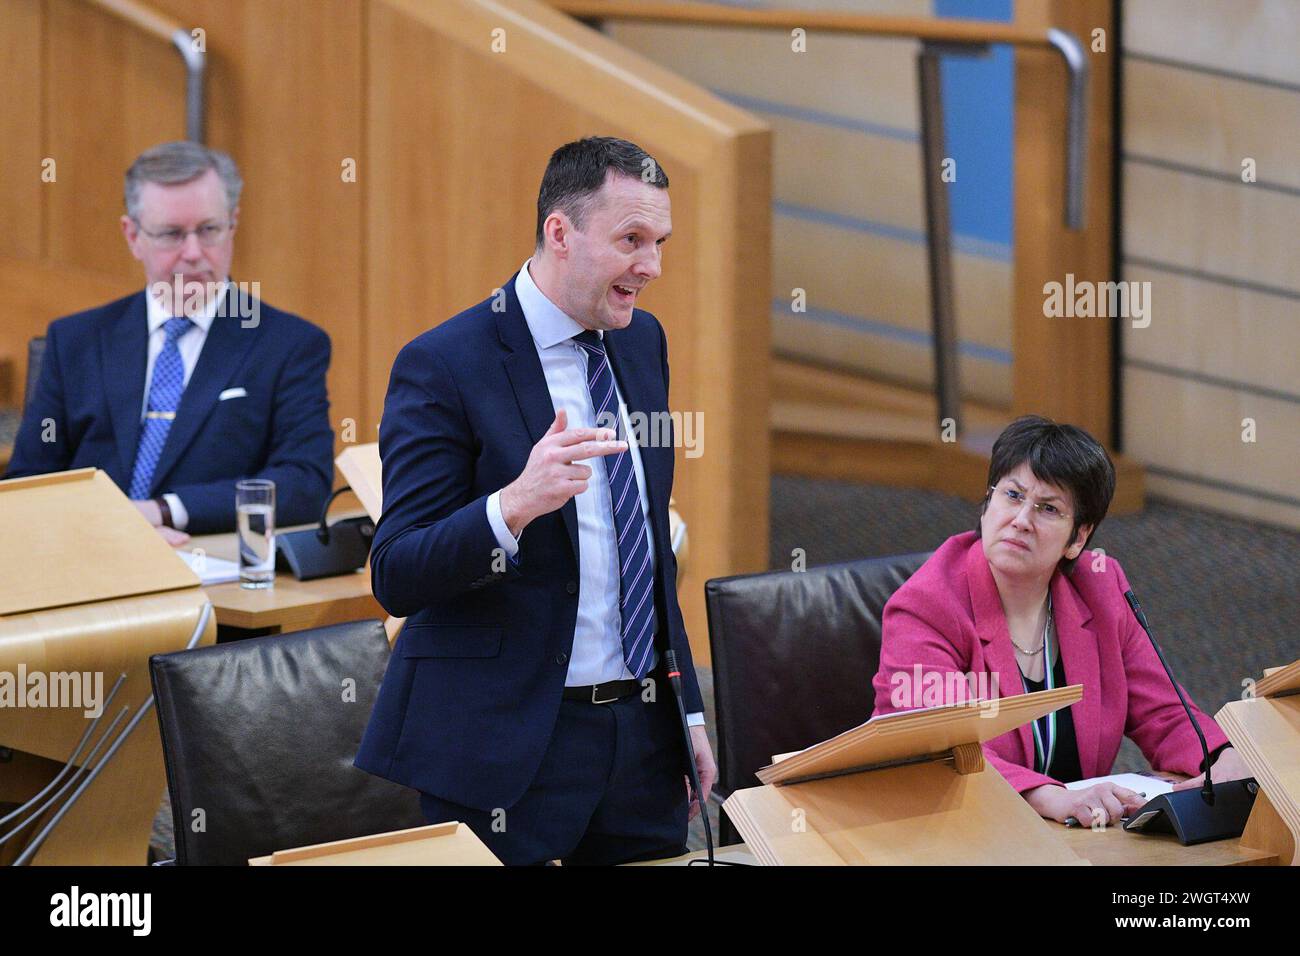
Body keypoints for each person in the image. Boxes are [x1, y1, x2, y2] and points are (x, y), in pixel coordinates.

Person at [355, 137, 716, 865]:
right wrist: (512, 506)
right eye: (632, 241)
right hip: (509, 744)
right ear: (561, 232)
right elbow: (396, 572)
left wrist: (689, 712)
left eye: (660, 242)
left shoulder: (642, 341)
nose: (652, 267)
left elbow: (645, 543)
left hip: (641, 743)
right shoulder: (446, 362)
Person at [871, 415, 1251, 826]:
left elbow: (1164, 713)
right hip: (948, 831)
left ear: (1078, 538)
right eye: (1012, 495)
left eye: (1048, 508)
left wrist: (1221, 757)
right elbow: (942, 750)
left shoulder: (1101, 588)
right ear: (987, 501)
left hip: (1073, 835)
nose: (1021, 520)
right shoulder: (928, 607)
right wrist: (1047, 797)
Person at [5, 141, 333, 540]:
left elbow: (303, 484)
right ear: (132, 236)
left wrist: (163, 511)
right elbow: (29, 483)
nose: (194, 253)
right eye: (172, 234)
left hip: (211, 566)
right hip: (88, 558)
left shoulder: (288, 345)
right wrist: (111, 529)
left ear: (233, 224)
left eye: (209, 230)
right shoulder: (75, 342)